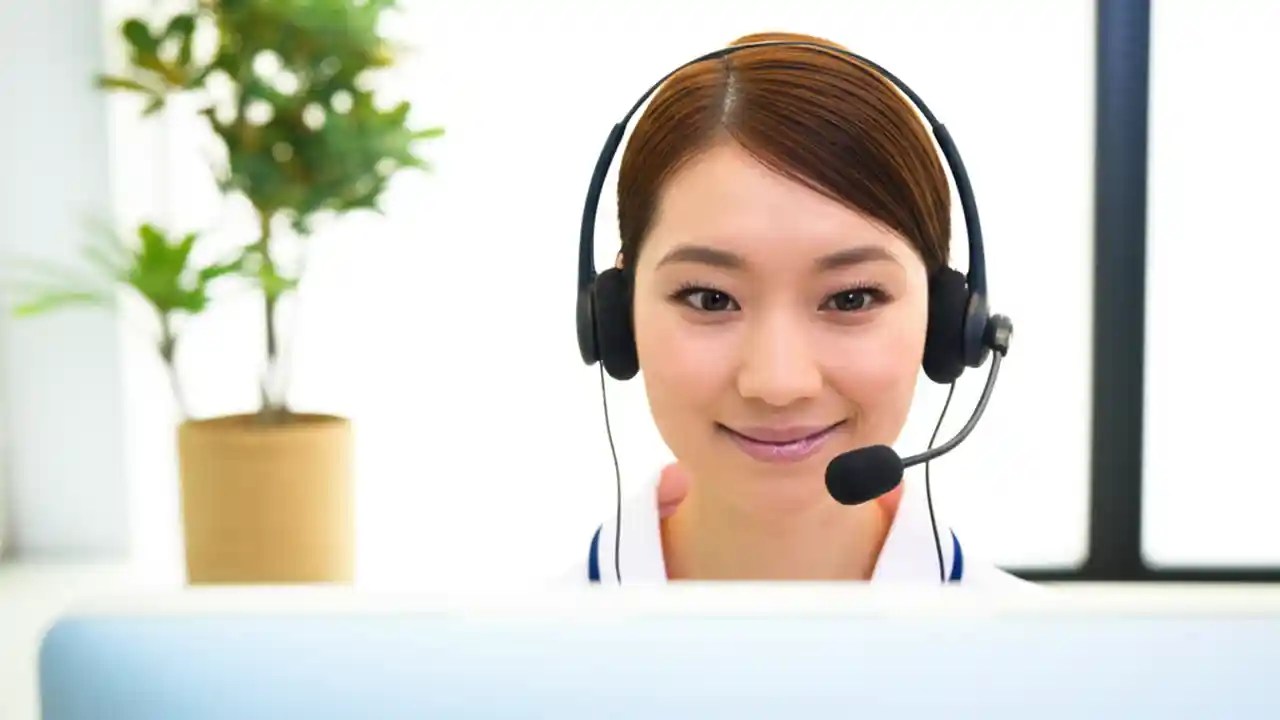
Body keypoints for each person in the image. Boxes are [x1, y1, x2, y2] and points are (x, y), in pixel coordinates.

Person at [572, 31, 1030, 588]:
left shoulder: (1060, 663)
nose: (779, 383)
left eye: (851, 298)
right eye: (711, 299)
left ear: (948, 317)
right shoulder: (501, 663)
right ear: (616, 315)